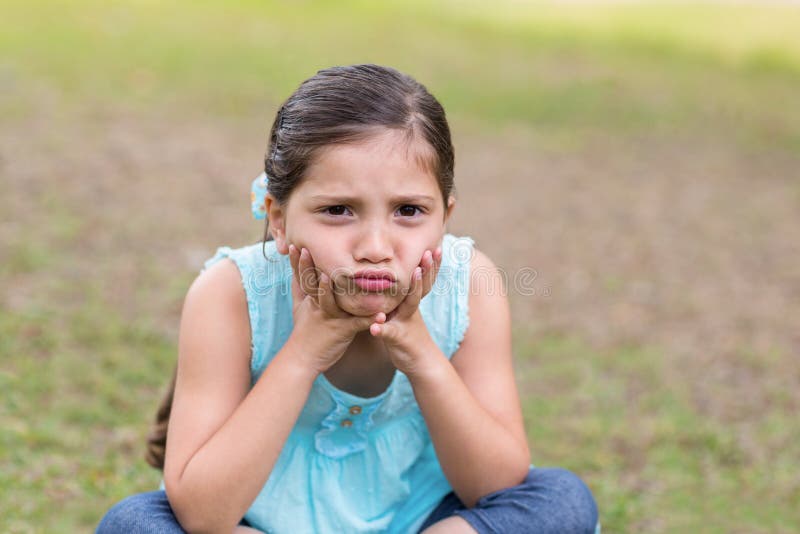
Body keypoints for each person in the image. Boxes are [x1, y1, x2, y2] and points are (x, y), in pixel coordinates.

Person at [96, 64, 599, 534]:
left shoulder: (469, 286)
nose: (375, 248)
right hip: (259, 518)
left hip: (422, 516)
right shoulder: (229, 293)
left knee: (562, 499)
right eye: (338, 210)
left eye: (408, 211)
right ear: (277, 216)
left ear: (445, 215)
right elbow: (203, 514)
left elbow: (494, 487)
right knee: (134, 524)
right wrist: (305, 350)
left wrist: (420, 354)